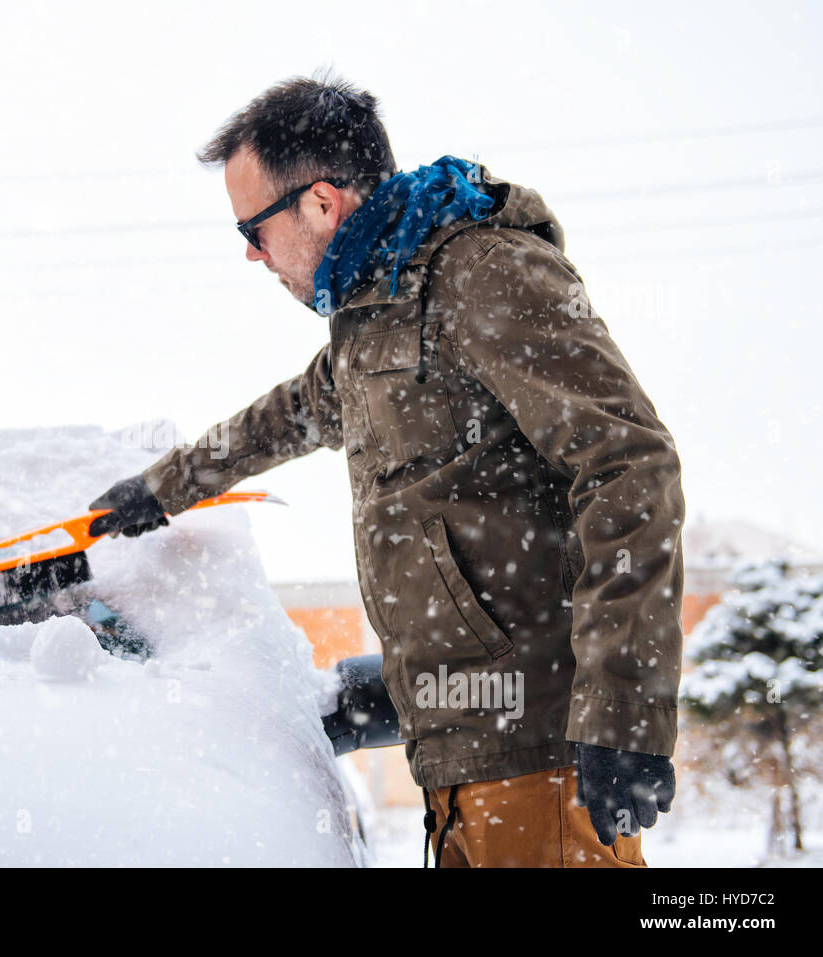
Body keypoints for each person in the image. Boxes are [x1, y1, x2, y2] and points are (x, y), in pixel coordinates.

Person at [87, 71, 684, 868]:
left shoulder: (481, 274)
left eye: (254, 229)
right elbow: (289, 413)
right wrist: (158, 490)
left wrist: (624, 712)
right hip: (464, 766)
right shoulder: (376, 314)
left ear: (322, 204)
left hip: (540, 761)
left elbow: (630, 463)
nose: (250, 253)